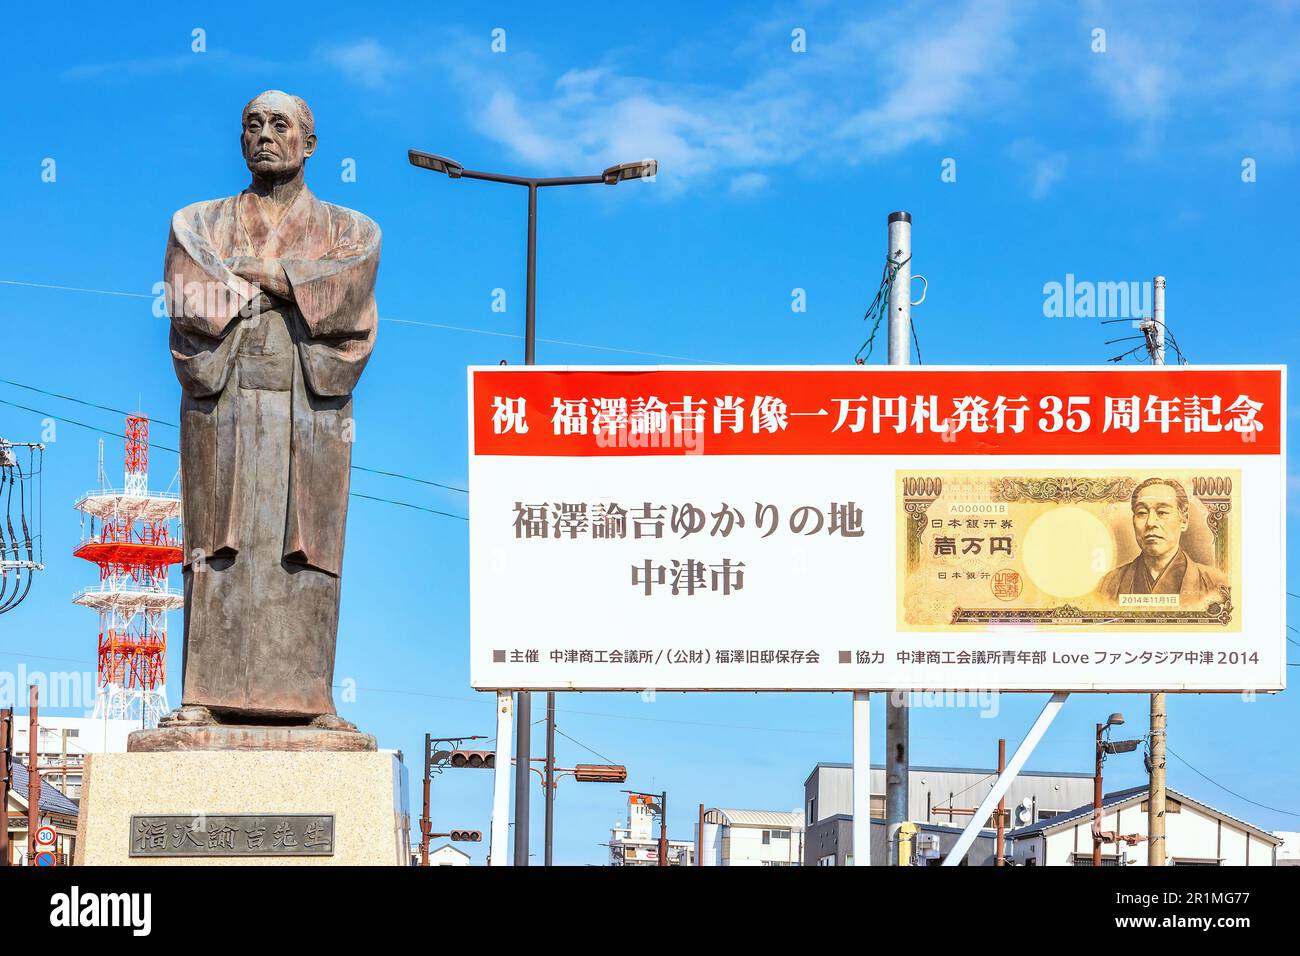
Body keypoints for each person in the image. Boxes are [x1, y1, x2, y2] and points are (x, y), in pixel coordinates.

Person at [161, 91, 380, 729]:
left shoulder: (350, 229)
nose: (264, 134)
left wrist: (257, 272)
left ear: (309, 144)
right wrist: (296, 280)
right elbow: (191, 285)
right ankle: (202, 693)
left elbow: (347, 290)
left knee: (307, 541)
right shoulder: (198, 221)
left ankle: (310, 700)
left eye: (279, 125)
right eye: (252, 124)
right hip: (223, 402)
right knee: (215, 539)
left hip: (309, 406)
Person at [1093, 478, 1227, 608]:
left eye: (1162, 512)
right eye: (1142, 512)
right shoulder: (1108, 584)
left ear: (1184, 520)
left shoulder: (1216, 583)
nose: (1150, 522)